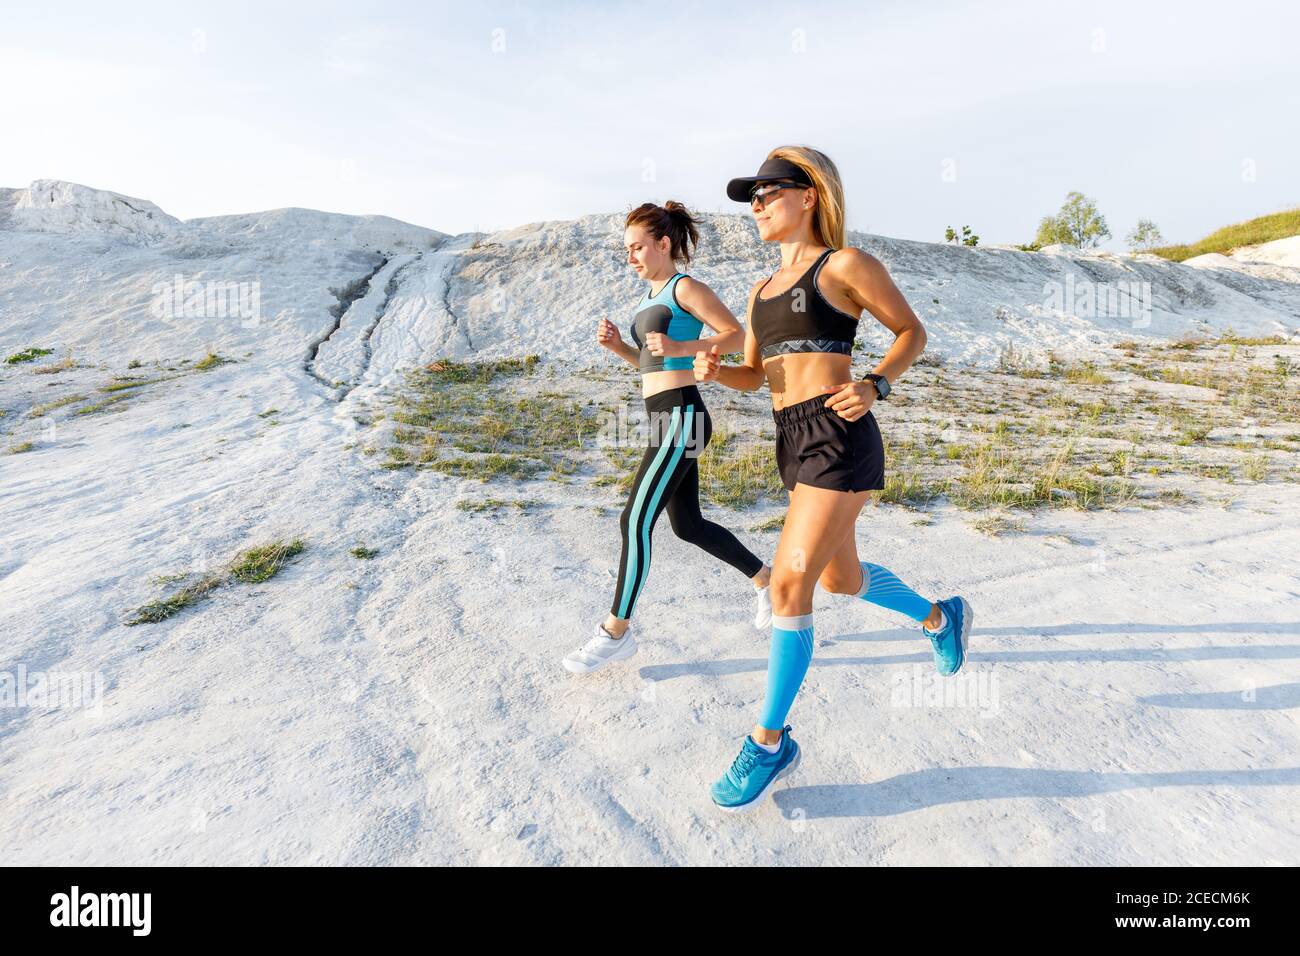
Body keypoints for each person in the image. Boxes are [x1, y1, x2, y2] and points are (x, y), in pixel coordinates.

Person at [695, 148, 974, 811]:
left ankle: (769, 742)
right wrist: (715, 371)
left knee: (790, 581)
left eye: (767, 193)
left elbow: (911, 330)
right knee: (839, 580)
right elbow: (758, 374)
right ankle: (941, 618)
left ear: (808, 196)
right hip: (791, 442)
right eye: (752, 198)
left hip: (840, 437)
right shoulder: (761, 291)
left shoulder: (844, 266)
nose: (756, 206)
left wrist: (877, 383)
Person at [562, 201, 773, 674]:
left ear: (664, 244)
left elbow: (737, 336)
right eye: (627, 250)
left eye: (637, 247)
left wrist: (684, 346)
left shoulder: (685, 287)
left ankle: (616, 631)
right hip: (663, 415)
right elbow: (652, 364)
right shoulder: (648, 299)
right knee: (688, 526)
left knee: (635, 520)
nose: (631, 257)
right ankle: (766, 581)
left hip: (683, 416)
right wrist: (619, 347)